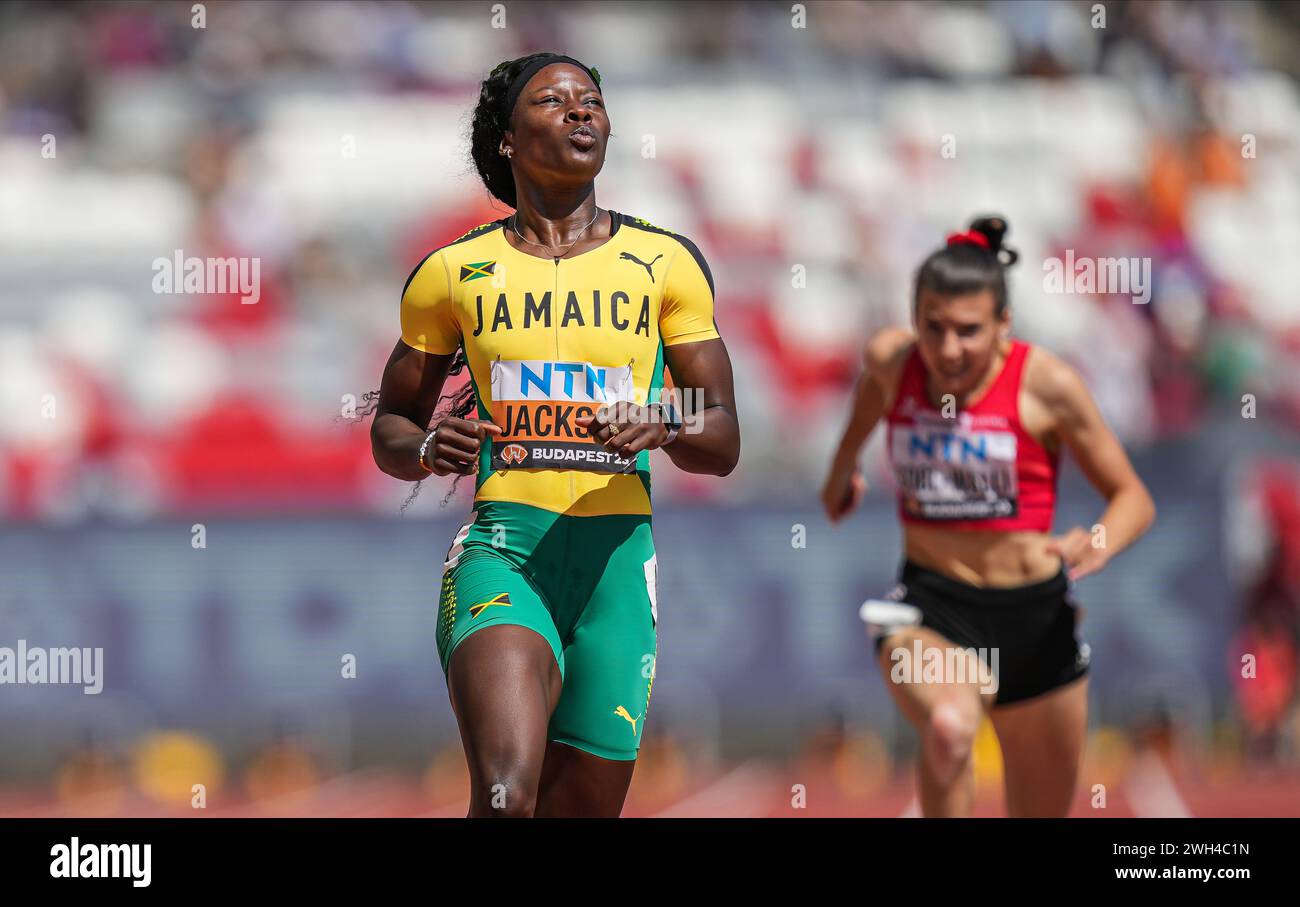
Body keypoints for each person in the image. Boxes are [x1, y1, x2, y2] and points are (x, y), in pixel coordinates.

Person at [370, 52, 740, 817]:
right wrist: (424, 448)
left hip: (617, 567)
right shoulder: (454, 272)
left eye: (592, 101)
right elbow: (389, 428)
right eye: (554, 101)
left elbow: (725, 437)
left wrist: (665, 421)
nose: (581, 112)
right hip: (506, 552)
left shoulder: (666, 264)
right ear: (508, 139)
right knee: (506, 794)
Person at [821, 216, 1155, 817]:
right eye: (934, 328)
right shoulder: (896, 361)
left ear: (1005, 325)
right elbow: (873, 388)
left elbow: (1133, 496)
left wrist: (1099, 540)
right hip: (933, 608)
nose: (949, 351)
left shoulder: (1047, 386)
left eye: (969, 332)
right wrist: (843, 464)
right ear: (913, 319)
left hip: (1036, 622)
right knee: (949, 730)